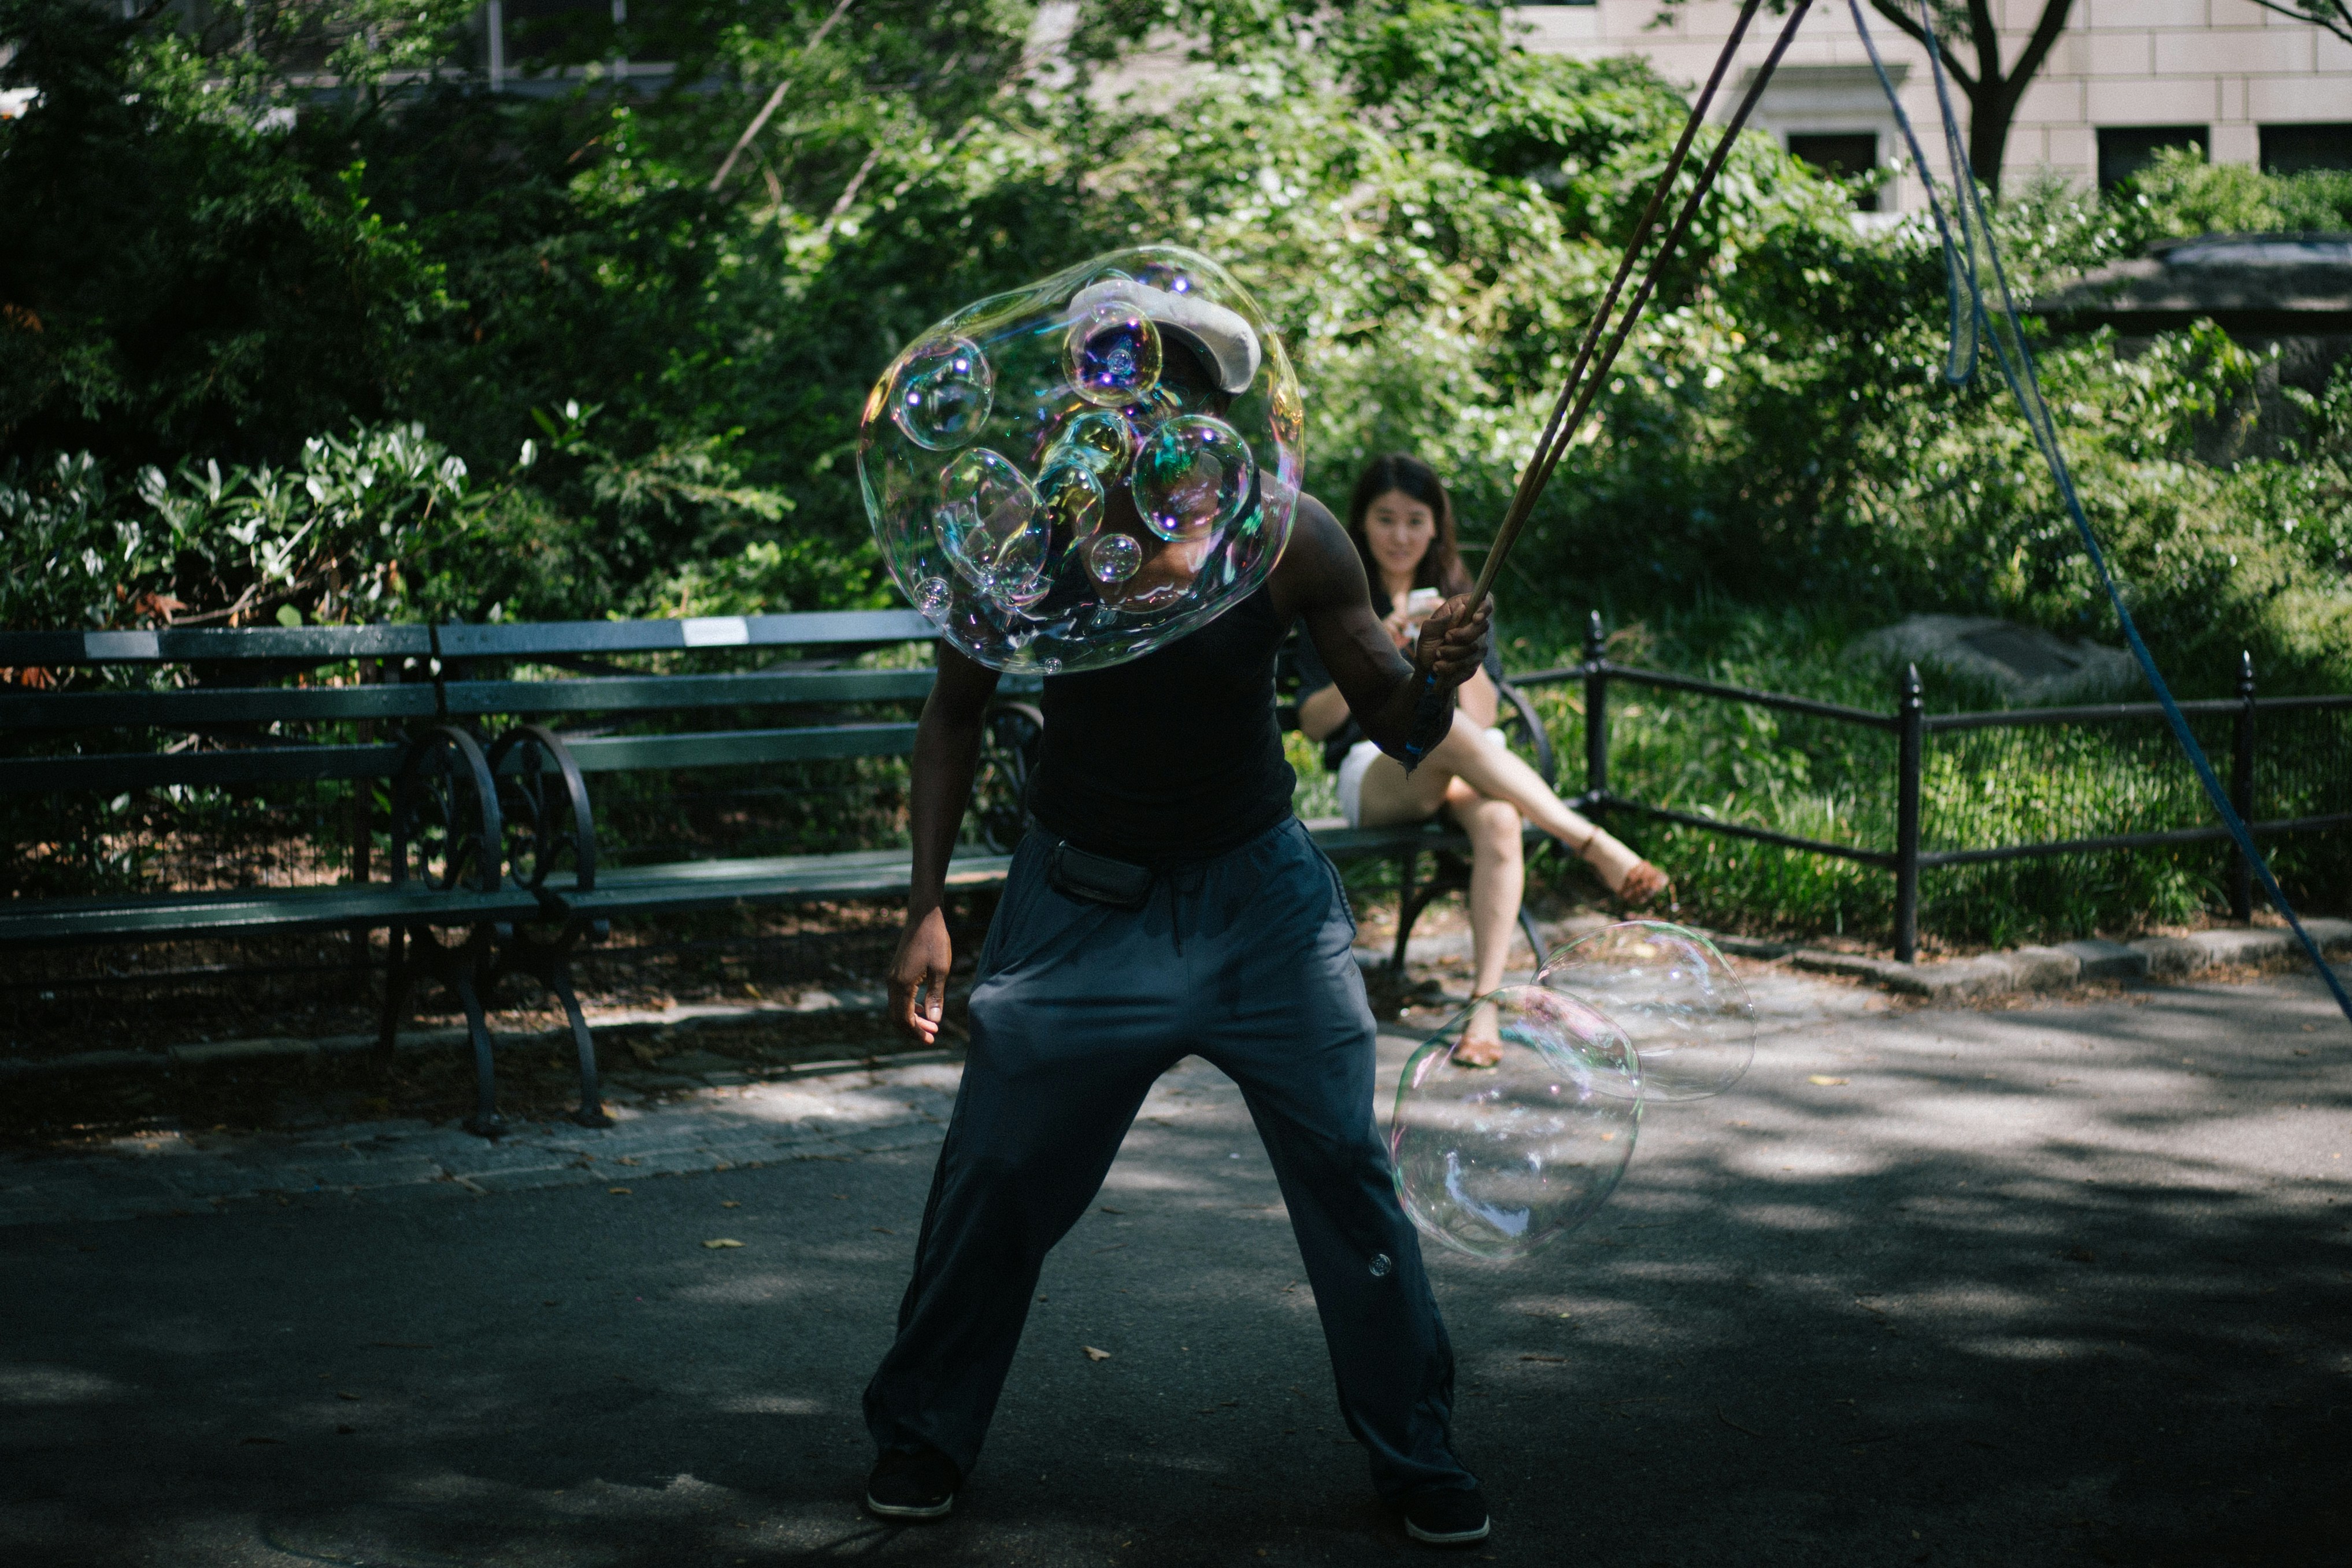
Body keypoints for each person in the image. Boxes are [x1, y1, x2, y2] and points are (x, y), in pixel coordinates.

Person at [863, 294, 1495, 1548]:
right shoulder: (1034, 543)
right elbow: (952, 716)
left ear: (1217, 416)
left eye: (1188, 392)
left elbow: (1395, 720)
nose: (1161, 413)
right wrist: (925, 905)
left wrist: (1438, 671)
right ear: (1094, 407)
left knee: (1347, 1174)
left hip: (1261, 906)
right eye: (1132, 386)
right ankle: (921, 1432)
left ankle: (1417, 1450)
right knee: (994, 1173)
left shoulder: (1286, 535)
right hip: (1079, 905)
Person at [1294, 454, 1667, 1065]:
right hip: (1377, 771)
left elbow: (1486, 715)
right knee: (1439, 729)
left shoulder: (1459, 601)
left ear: (1435, 528)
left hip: (1464, 766)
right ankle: (1587, 839)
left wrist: (1448, 653)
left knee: (1496, 817)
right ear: (1360, 523)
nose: (1399, 535)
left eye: (1414, 521)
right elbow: (1313, 722)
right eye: (1385, 519)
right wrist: (1378, 644)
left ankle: (1484, 1007)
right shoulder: (1338, 598)